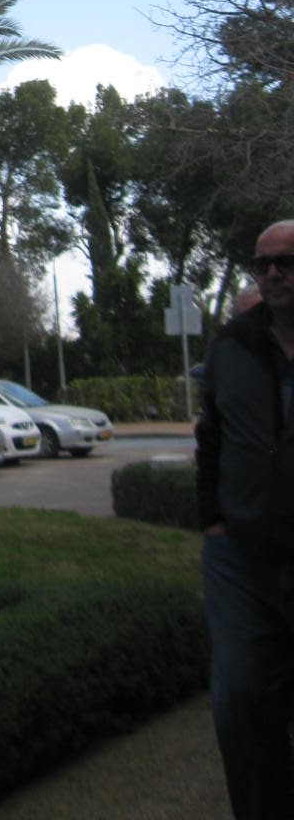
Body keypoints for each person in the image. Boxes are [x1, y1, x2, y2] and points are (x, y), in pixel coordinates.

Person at [196, 220, 294, 818]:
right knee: (239, 703)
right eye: (262, 264)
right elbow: (210, 439)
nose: (273, 274)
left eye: (287, 262)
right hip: (241, 559)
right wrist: (212, 521)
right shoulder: (231, 346)